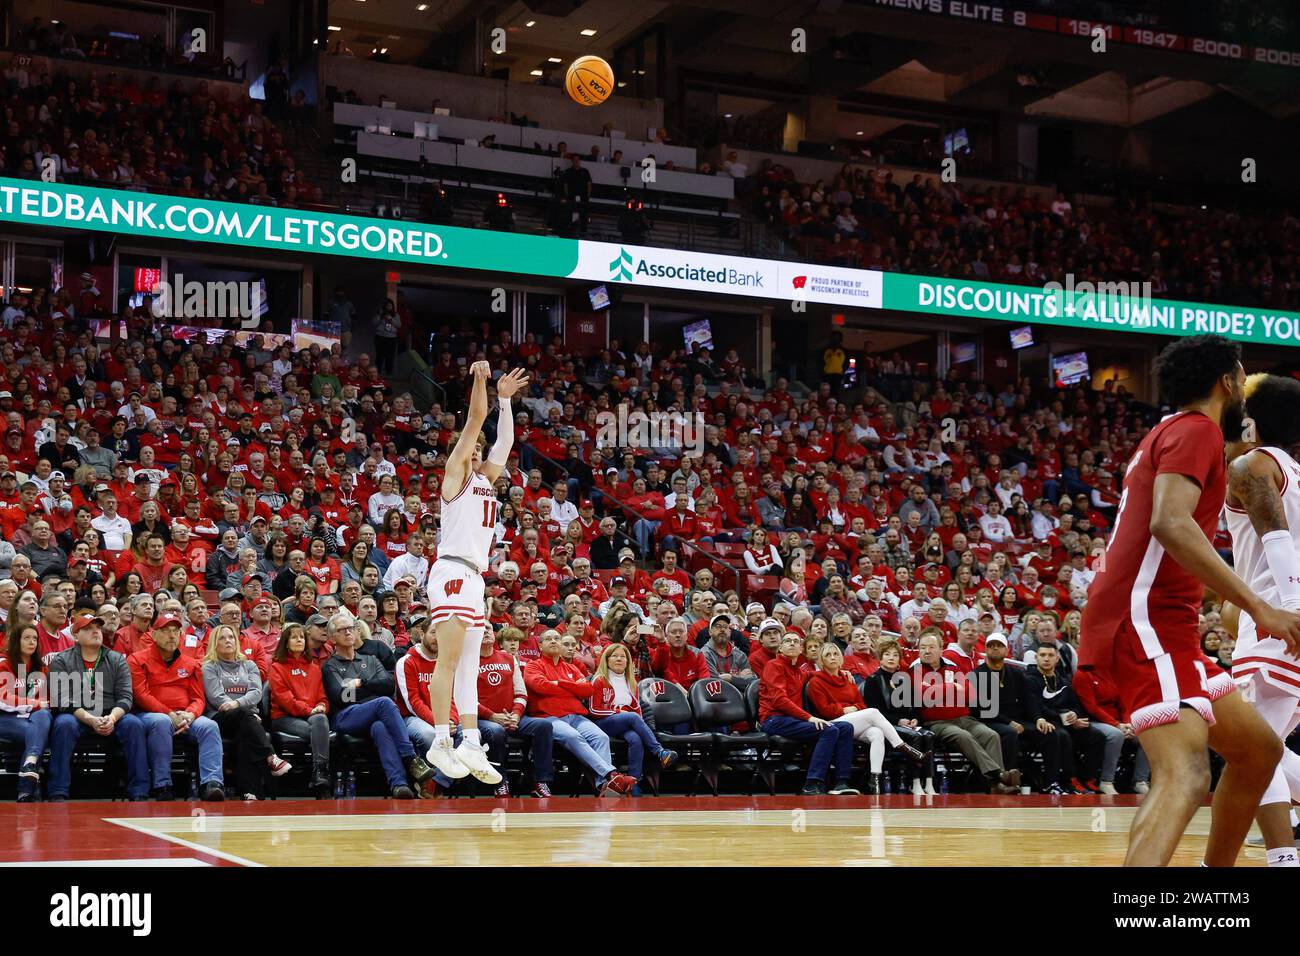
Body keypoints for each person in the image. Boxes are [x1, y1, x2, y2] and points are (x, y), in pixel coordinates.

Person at [1079, 335, 1300, 866]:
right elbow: (1170, 522)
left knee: (1258, 751)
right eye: (1241, 371)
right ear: (1226, 381)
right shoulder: (1197, 430)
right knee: (1187, 772)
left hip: (1163, 622)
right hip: (1144, 618)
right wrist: (1259, 605)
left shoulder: (1178, 433)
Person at [423, 361, 528, 785]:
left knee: (468, 666)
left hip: (474, 578)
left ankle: (469, 741)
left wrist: (506, 400)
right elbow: (474, 420)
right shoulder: (455, 476)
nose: (479, 451)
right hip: (451, 572)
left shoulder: (487, 478)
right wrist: (482, 383)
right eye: (472, 447)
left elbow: (504, 440)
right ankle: (440, 741)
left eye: (480, 449)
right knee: (447, 663)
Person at [1222, 372, 1300, 864]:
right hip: (1278, 619)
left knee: (1253, 749)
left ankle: (1283, 858)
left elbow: (1277, 541)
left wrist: (1289, 613)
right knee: (1263, 745)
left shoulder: (1255, 464)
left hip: (1277, 620)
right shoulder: (1294, 469)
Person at [321, 612, 433, 798]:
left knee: (381, 727)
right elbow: (341, 695)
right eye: (342, 630)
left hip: (375, 715)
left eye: (351, 628)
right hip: (345, 716)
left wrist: (360, 683)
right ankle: (411, 759)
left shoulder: (371, 659)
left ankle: (398, 785)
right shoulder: (330, 665)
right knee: (383, 703)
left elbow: (389, 685)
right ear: (332, 638)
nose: (349, 632)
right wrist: (372, 687)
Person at [47, 610, 150, 801]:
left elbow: (126, 697)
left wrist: (111, 718)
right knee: (63, 725)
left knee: (134, 725)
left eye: (97, 628)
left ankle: (139, 791)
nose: (95, 632)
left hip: (110, 712)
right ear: (75, 636)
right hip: (77, 714)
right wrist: (90, 719)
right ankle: (57, 791)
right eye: (88, 629)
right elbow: (61, 698)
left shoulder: (117, 659)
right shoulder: (62, 660)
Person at [523, 630, 636, 796]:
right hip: (550, 718)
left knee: (601, 737)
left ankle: (603, 787)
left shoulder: (571, 667)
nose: (553, 641)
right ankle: (611, 775)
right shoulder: (534, 666)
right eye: (548, 639)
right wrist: (571, 687)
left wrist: (558, 684)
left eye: (556, 638)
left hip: (576, 717)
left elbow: (587, 690)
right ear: (540, 645)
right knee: (573, 736)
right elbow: (540, 686)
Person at [129, 612, 226, 801]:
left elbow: (199, 698)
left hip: (185, 716)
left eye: (176, 631)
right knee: (162, 722)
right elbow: (141, 695)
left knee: (209, 726)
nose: (172, 635)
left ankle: (212, 783)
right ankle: (162, 784)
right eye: (166, 631)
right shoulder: (136, 659)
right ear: (154, 634)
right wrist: (170, 714)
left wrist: (190, 715)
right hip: (150, 715)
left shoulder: (191, 664)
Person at [807, 643, 924, 794]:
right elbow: (824, 710)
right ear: (821, 661)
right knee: (874, 712)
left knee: (877, 733)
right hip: (832, 724)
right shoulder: (816, 682)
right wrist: (844, 709)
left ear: (841, 658)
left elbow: (861, 704)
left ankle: (874, 781)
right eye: (828, 655)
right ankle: (905, 747)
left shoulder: (848, 679)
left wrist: (854, 708)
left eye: (835, 654)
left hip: (854, 723)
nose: (832, 658)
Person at [912, 632, 1019, 794]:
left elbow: (970, 693)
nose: (927, 651)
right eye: (922, 648)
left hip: (964, 717)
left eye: (931, 647)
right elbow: (926, 695)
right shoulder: (914, 670)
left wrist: (940, 689)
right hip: (936, 722)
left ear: (941, 649)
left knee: (991, 735)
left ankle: (996, 786)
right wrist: (954, 687)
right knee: (963, 736)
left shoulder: (952, 667)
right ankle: (999, 776)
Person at [758, 631, 859, 796]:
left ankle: (842, 782)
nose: (791, 643)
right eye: (787, 641)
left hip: (792, 721)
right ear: (780, 648)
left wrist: (840, 671)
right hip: (773, 720)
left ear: (801, 650)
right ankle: (813, 783)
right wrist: (810, 717)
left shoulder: (798, 671)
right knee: (829, 729)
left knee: (846, 727)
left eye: (795, 641)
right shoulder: (773, 665)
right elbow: (779, 701)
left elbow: (816, 673)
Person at [977, 632, 1074, 795]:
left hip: (1018, 721)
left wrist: (1038, 718)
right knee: (1010, 733)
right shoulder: (977, 674)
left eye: (999, 645)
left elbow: (1029, 700)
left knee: (1050, 731)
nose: (995, 648)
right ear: (985, 649)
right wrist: (1009, 722)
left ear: (1006, 650)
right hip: (990, 721)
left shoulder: (1016, 673)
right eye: (991, 645)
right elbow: (981, 709)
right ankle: (1008, 781)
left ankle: (1051, 783)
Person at [202, 625, 290, 800]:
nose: (228, 641)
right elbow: (216, 697)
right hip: (220, 719)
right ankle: (271, 757)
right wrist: (243, 709)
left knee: (243, 735)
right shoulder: (209, 667)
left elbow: (256, 692)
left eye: (231, 637)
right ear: (214, 643)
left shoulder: (249, 664)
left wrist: (240, 706)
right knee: (244, 720)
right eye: (222, 638)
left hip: (246, 718)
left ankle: (250, 791)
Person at [473, 626, 556, 798]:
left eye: (488, 628)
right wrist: (492, 716)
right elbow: (465, 698)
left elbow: (521, 692)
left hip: (512, 716)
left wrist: (516, 715)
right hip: (483, 718)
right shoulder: (467, 661)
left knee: (544, 726)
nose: (486, 631)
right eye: (480, 629)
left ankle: (540, 781)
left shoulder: (509, 658)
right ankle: (500, 782)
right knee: (495, 731)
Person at [589, 642, 677, 794]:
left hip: (625, 722)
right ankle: (660, 752)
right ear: (607, 660)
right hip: (603, 722)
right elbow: (594, 710)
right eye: (614, 656)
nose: (619, 659)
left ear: (628, 662)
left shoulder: (631, 682)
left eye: (623, 656)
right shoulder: (599, 680)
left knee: (636, 738)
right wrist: (618, 713)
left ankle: (633, 783)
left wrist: (630, 718)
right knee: (632, 717)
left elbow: (637, 708)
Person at [1026, 644, 1105, 793]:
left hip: (1067, 722)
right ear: (1036, 658)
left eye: (1050, 655)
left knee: (1097, 737)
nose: (1046, 659)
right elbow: (1036, 707)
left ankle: (1087, 778)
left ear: (1057, 659)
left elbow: (1076, 705)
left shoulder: (1063, 680)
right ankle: (1069, 780)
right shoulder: (1029, 680)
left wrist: (1075, 715)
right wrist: (1064, 717)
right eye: (1042, 655)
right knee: (1062, 736)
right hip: (1045, 721)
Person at [269, 623, 332, 799]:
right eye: (294, 637)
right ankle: (322, 775)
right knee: (319, 728)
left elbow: (322, 696)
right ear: (285, 642)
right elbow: (285, 699)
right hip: (284, 717)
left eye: (302, 637)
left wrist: (321, 707)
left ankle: (319, 773)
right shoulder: (277, 667)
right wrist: (310, 710)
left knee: (320, 721)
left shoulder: (314, 667)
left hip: (312, 716)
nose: (299, 640)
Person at [0, 622, 51, 800]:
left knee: (43, 716)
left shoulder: (42, 667)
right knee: (37, 732)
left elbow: (47, 701)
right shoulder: (4, 663)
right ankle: (26, 789)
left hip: (33, 719)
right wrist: (34, 704)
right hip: (5, 719)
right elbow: (3, 699)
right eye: (26, 638)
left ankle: (29, 769)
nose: (32, 642)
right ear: (16, 641)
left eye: (35, 638)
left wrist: (39, 705)